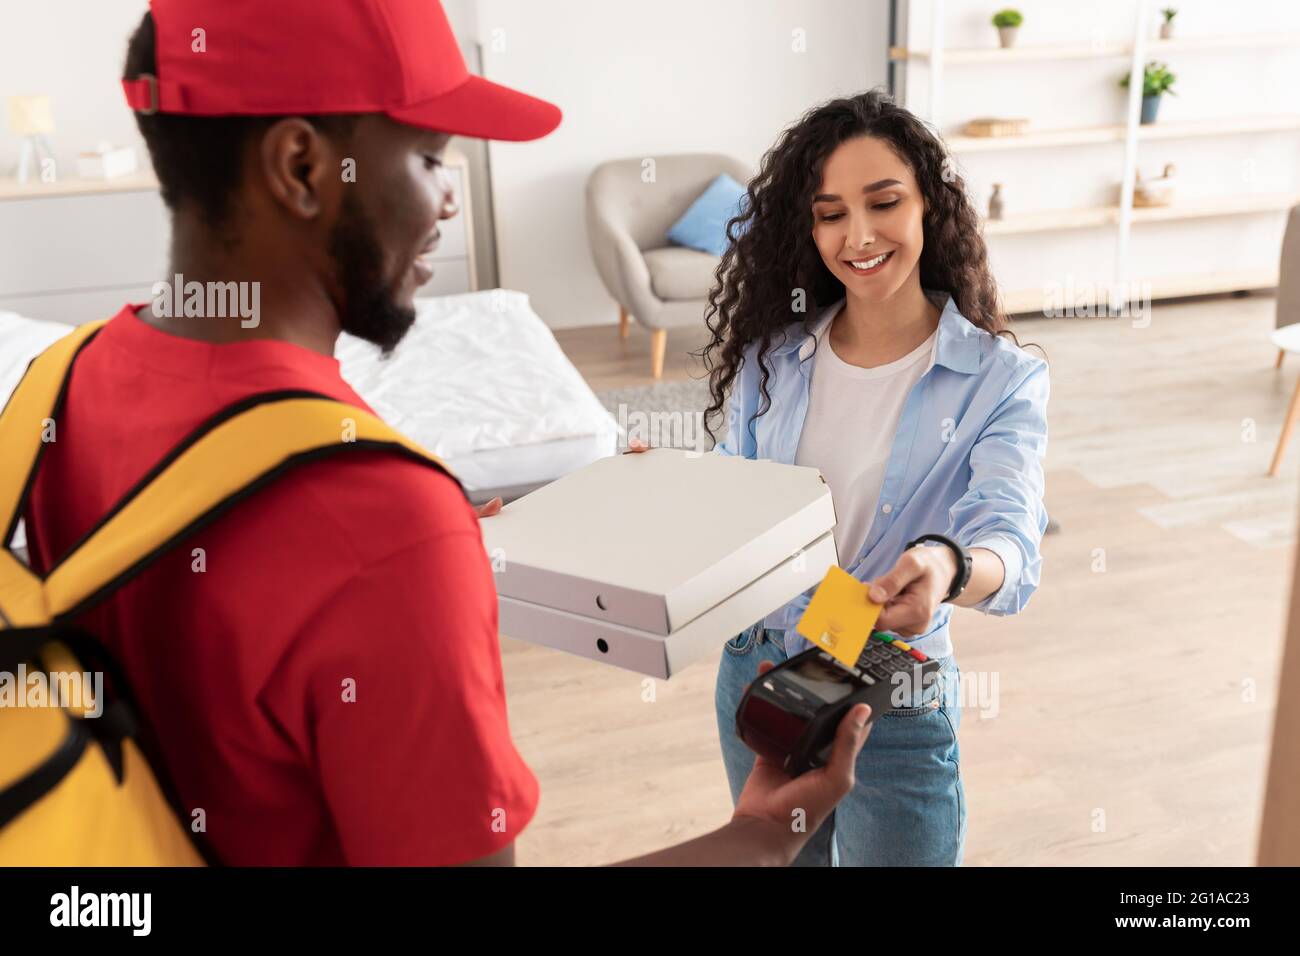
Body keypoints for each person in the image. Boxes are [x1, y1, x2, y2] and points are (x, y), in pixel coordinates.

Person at [22, 0, 871, 866]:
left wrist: (391, 569)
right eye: (430, 158)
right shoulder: (378, 518)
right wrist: (763, 835)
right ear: (302, 167)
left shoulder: (55, 390)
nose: (448, 203)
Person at [703, 90, 1050, 866]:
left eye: (884, 202)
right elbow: (737, 510)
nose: (857, 236)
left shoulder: (1000, 379)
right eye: (830, 213)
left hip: (891, 695)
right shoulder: (774, 359)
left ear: (930, 205)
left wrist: (947, 565)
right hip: (761, 668)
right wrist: (669, 492)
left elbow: (1012, 541)